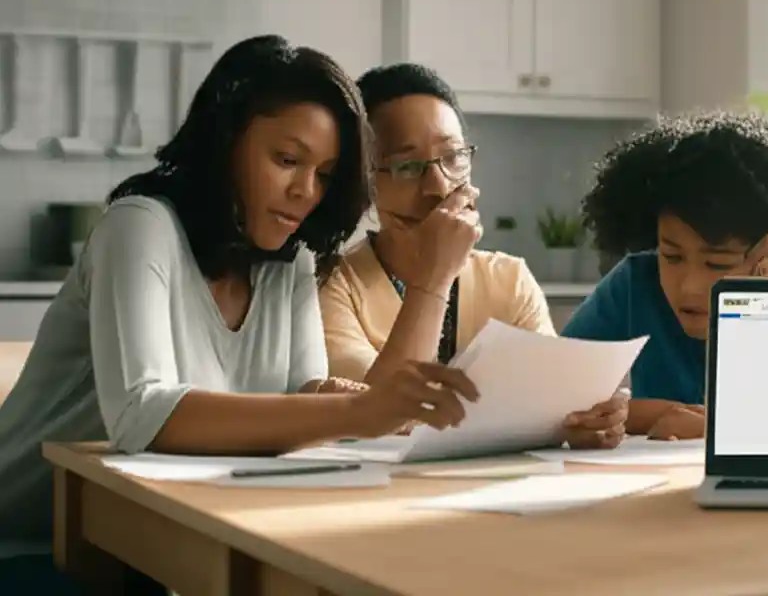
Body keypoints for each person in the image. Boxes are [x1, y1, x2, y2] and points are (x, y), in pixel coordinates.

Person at [0, 37, 478, 590]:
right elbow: (143, 413)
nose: (305, 192)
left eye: (324, 174)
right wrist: (358, 413)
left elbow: (302, 397)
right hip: (31, 543)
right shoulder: (140, 226)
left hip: (152, 542)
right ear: (226, 143)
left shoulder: (291, 259)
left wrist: (350, 400)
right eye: (287, 160)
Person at [320, 64, 627, 449]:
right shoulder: (333, 284)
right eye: (406, 166)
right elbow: (375, 414)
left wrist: (583, 421)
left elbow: (552, 405)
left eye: (452, 157)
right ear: (363, 181)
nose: (437, 187)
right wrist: (434, 277)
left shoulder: (509, 279)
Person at [561, 111, 768, 440]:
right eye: (672, 256)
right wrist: (650, 415)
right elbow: (552, 396)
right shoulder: (636, 283)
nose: (689, 286)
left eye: (718, 263)